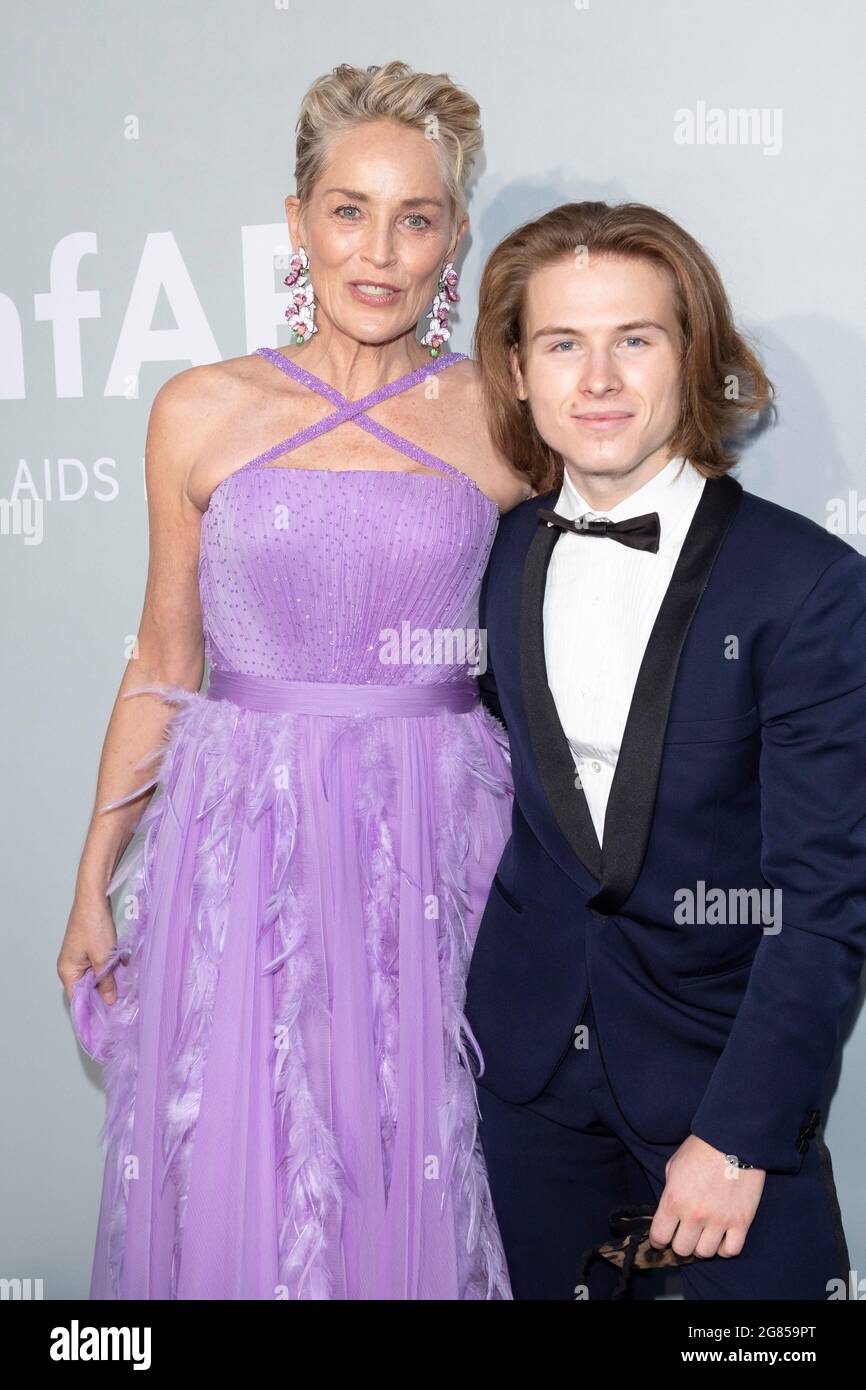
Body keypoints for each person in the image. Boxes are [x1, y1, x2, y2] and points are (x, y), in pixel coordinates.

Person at [58, 60, 529, 1301]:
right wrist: (93, 879)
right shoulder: (199, 410)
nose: (379, 250)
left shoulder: (505, 420)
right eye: (347, 209)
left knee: (421, 1168)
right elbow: (164, 663)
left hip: (438, 854)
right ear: (296, 221)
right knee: (250, 1179)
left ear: (453, 240)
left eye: (415, 217)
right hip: (244, 846)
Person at [465, 199, 866, 1300]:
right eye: (561, 343)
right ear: (514, 371)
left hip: (723, 1086)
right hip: (529, 1083)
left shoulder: (805, 585)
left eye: (632, 339)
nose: (595, 380)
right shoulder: (492, 557)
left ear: (689, 358)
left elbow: (823, 895)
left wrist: (739, 1138)